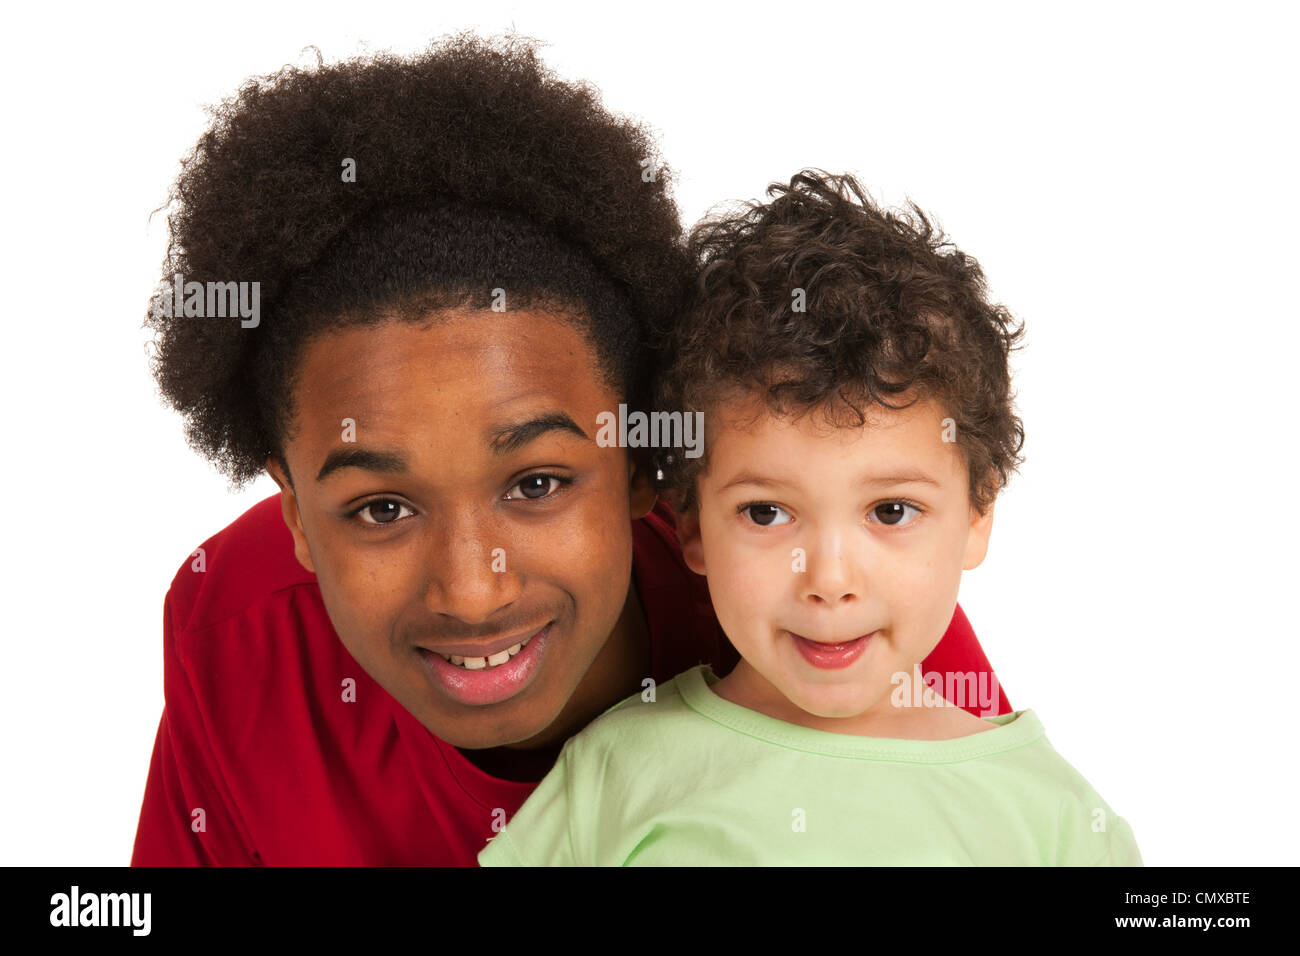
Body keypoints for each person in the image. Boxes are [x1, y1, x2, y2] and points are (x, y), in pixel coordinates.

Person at [131, 37, 1010, 866]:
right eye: (381, 510)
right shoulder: (233, 630)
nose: (474, 589)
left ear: (643, 468)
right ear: (294, 514)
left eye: (539, 482)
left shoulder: (825, 609)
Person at [478, 170, 1141, 866]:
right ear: (693, 525)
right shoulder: (615, 770)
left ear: (977, 515)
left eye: (890, 511)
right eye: (766, 512)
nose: (827, 579)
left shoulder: (1054, 821)